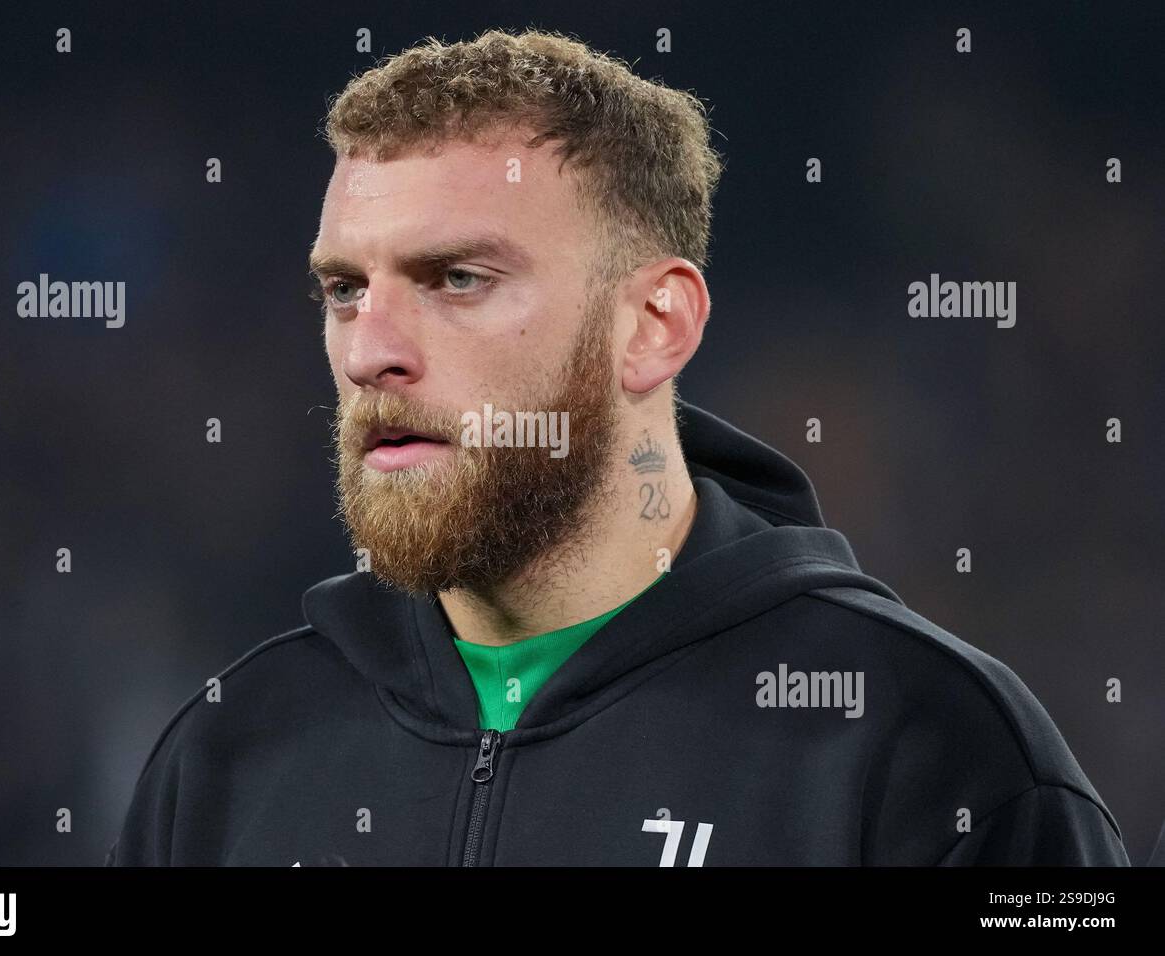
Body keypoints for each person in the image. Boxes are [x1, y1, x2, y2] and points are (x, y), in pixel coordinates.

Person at [107, 28, 1129, 866]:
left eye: (458, 279)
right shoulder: (232, 751)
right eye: (344, 289)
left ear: (653, 325)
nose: (371, 351)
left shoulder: (918, 748)